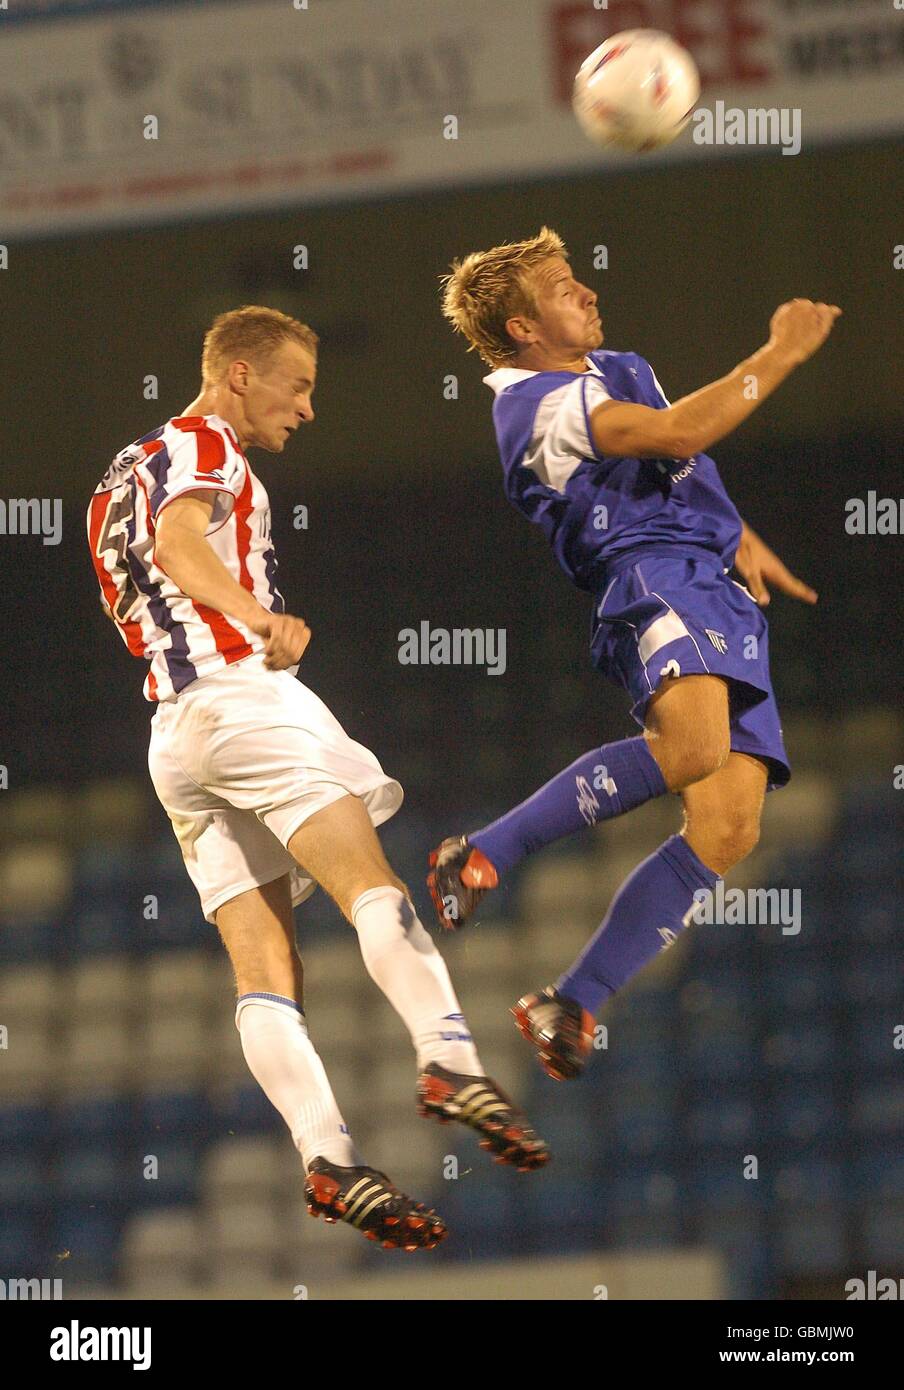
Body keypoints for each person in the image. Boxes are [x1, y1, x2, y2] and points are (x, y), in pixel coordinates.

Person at [87, 305, 548, 1253]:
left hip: (174, 736)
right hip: (239, 699)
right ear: (241, 374)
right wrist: (257, 616)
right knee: (371, 886)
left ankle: (328, 1157)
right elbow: (177, 545)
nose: (308, 409)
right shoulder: (196, 444)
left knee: (267, 972)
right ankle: (449, 1060)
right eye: (297, 386)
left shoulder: (114, 475)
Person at [430, 228, 840, 1082]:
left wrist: (736, 534)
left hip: (710, 582)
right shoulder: (532, 403)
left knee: (730, 828)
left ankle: (570, 1000)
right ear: (520, 328)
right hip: (648, 577)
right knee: (693, 751)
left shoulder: (621, 365)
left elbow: (684, 462)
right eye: (563, 287)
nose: (586, 292)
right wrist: (779, 353)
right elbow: (678, 431)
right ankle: (482, 851)